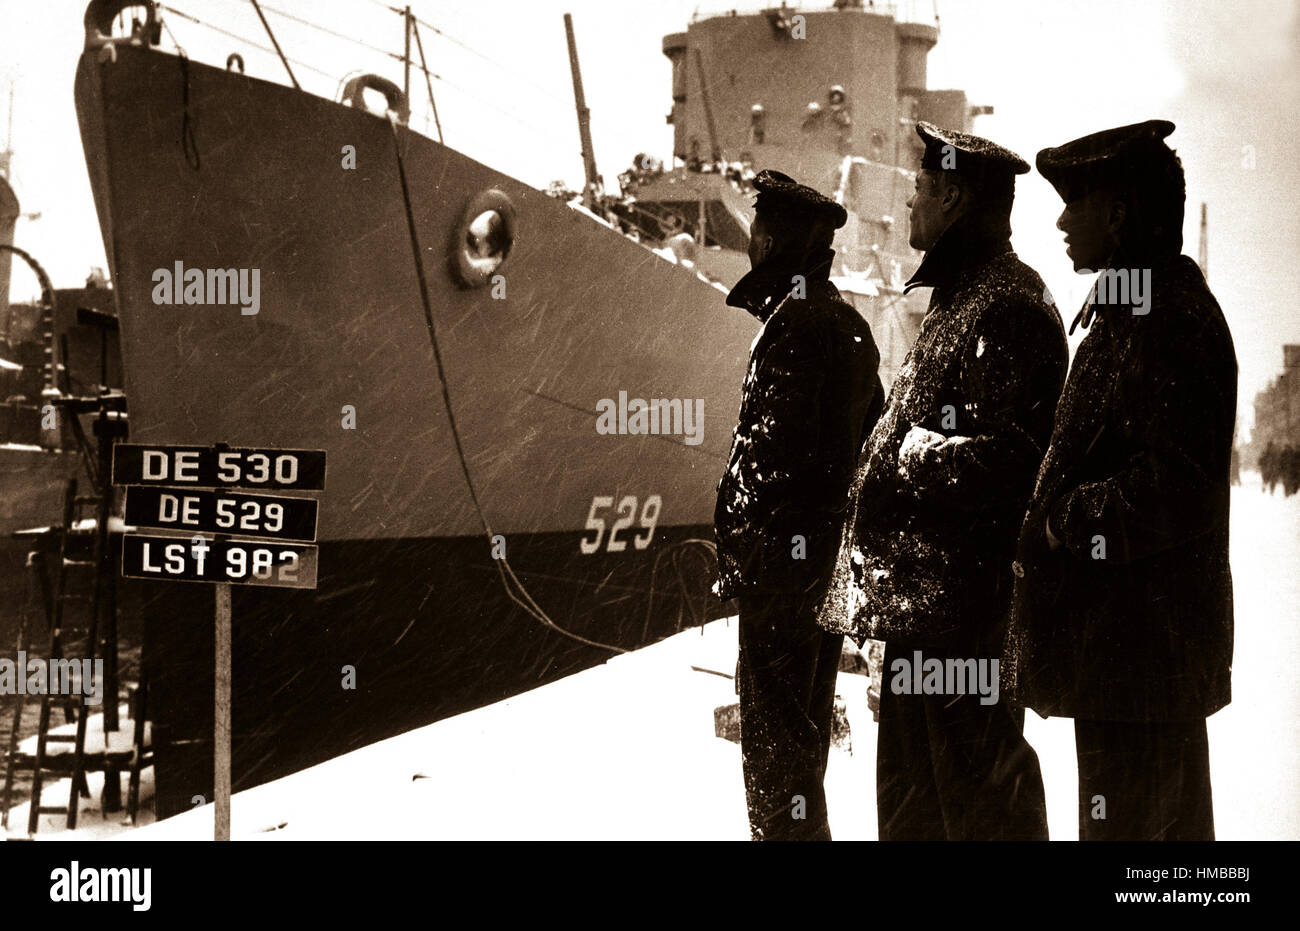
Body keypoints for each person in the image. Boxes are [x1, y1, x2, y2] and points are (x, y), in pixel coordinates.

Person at [818, 122, 1066, 840]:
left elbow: (1018, 462)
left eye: (922, 189)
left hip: (963, 626)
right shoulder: (962, 300)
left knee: (982, 807)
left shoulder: (1007, 306)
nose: (908, 207)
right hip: (918, 617)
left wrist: (915, 454)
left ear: (954, 197)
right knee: (914, 812)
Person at [1003, 120, 1237, 841]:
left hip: (1146, 662)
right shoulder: (1131, 312)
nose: (1062, 220)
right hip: (1126, 659)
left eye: (1077, 201)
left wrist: (1057, 521)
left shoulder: (1168, 319)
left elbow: (1175, 486)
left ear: (1122, 211)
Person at [714, 169, 883, 840]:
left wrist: (748, 551)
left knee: (775, 756)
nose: (750, 244)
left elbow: (767, 461)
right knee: (801, 754)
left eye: (759, 232)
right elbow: (868, 439)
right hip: (817, 577)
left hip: (781, 584)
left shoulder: (796, 326)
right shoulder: (848, 327)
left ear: (779, 243)